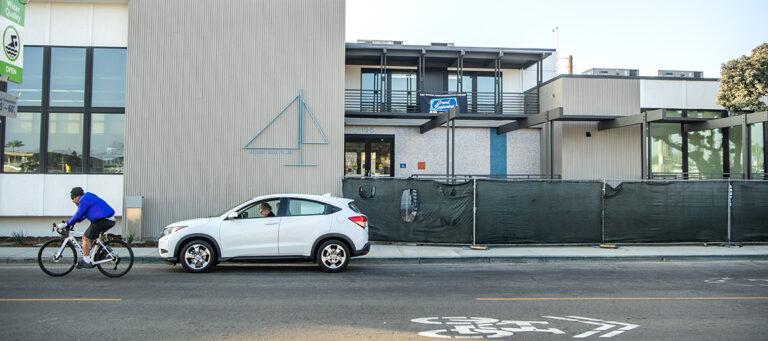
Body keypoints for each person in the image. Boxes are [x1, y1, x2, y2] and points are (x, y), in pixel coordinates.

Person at [65, 187, 116, 269]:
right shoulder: (87, 197)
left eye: (73, 198)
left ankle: (86, 261)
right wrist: (73, 222)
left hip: (103, 220)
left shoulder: (83, 200)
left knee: (85, 238)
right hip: (107, 220)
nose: (72, 200)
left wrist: (66, 224)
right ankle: (106, 250)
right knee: (94, 237)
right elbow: (82, 215)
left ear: (77, 196)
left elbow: (78, 214)